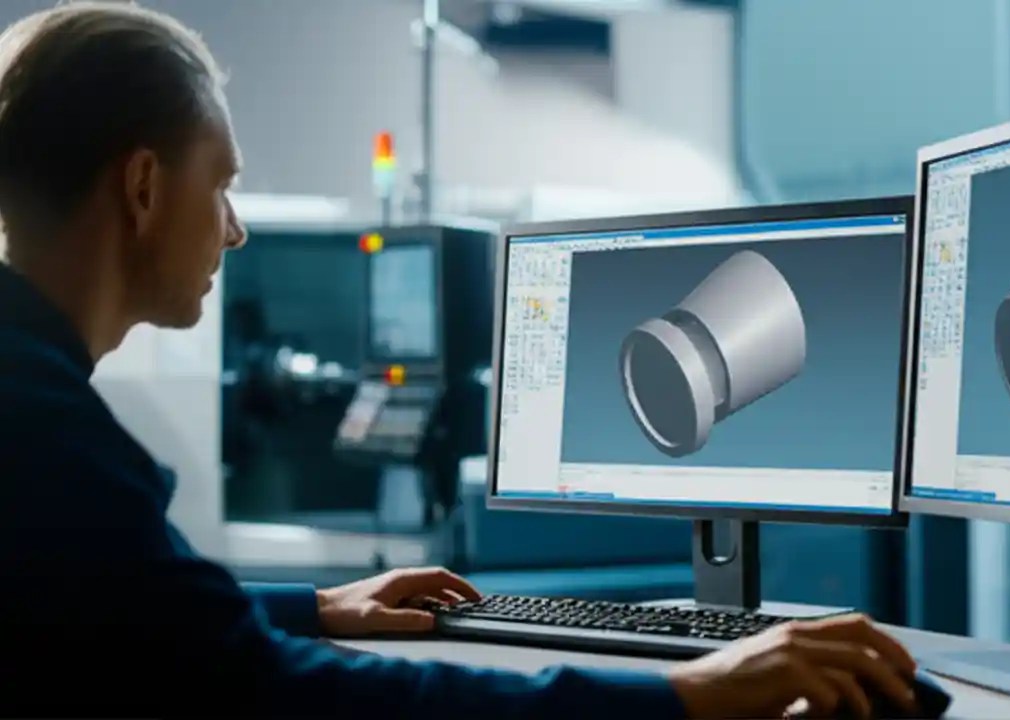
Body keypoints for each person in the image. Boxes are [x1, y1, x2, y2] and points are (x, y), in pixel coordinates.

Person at [0, 2, 920, 718]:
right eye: (225, 184)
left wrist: (320, 606)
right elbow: (269, 691)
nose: (235, 228)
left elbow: (138, 612)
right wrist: (689, 696)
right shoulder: (49, 438)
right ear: (145, 187)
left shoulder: (35, 405)